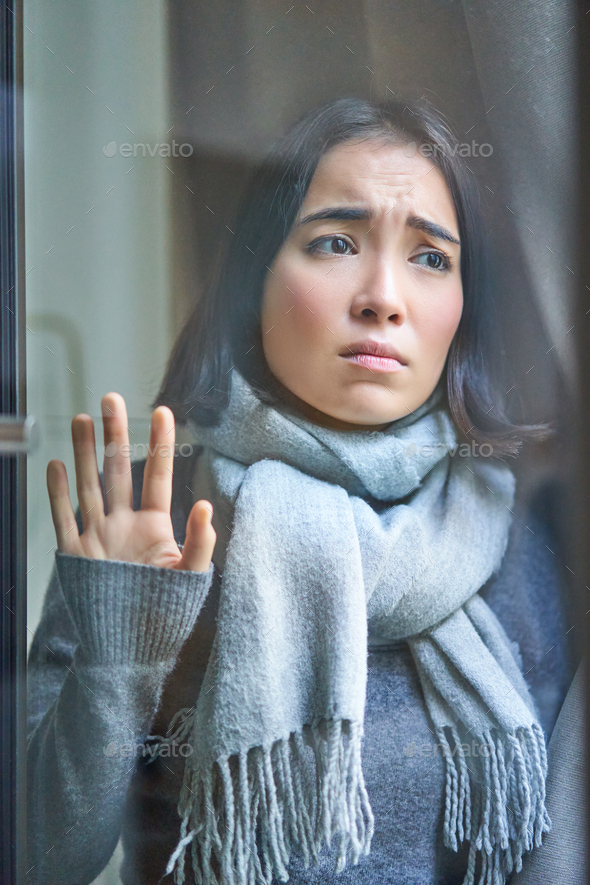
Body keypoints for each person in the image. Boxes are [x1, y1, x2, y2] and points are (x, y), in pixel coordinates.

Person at [27, 97, 574, 885]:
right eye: (337, 242)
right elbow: (40, 858)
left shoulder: (515, 535)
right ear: (255, 278)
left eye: (430, 258)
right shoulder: (153, 513)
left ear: (462, 306)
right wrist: (118, 657)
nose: (382, 296)